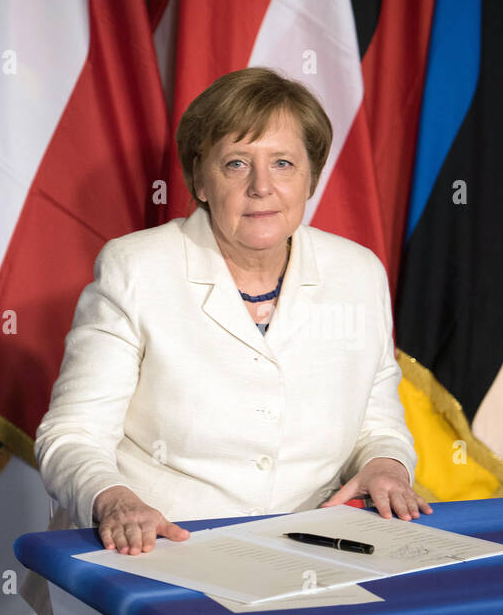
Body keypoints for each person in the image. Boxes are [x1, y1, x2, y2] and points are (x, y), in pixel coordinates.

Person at [34, 66, 430, 558]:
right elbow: (72, 435)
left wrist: (385, 465)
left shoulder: (358, 272)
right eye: (237, 164)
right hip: (160, 549)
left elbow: (378, 425)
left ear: (311, 177)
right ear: (200, 179)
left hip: (314, 552)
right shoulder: (136, 268)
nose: (261, 186)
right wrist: (115, 501)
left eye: (283, 163)